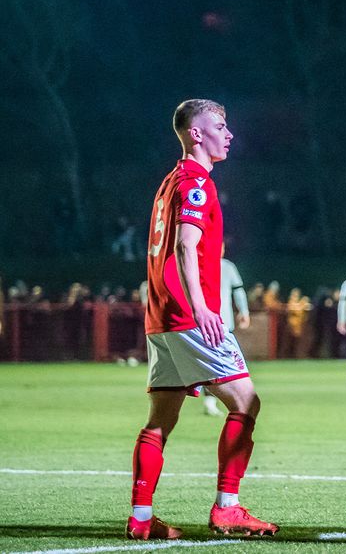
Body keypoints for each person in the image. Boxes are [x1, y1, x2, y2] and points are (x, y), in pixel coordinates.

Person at [129, 99, 277, 540]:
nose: (228, 134)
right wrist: (200, 307)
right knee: (246, 402)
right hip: (188, 317)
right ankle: (227, 507)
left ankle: (140, 519)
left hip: (161, 317)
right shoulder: (197, 182)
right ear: (196, 134)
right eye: (220, 126)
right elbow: (184, 246)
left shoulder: (168, 182)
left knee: (160, 420)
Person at [201, 242, 252, 416]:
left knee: (214, 362)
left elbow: (238, 291)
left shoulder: (227, 267)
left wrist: (244, 310)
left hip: (221, 322)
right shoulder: (203, 265)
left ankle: (213, 398)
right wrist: (244, 311)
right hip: (209, 322)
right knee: (215, 363)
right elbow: (239, 291)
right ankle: (216, 399)